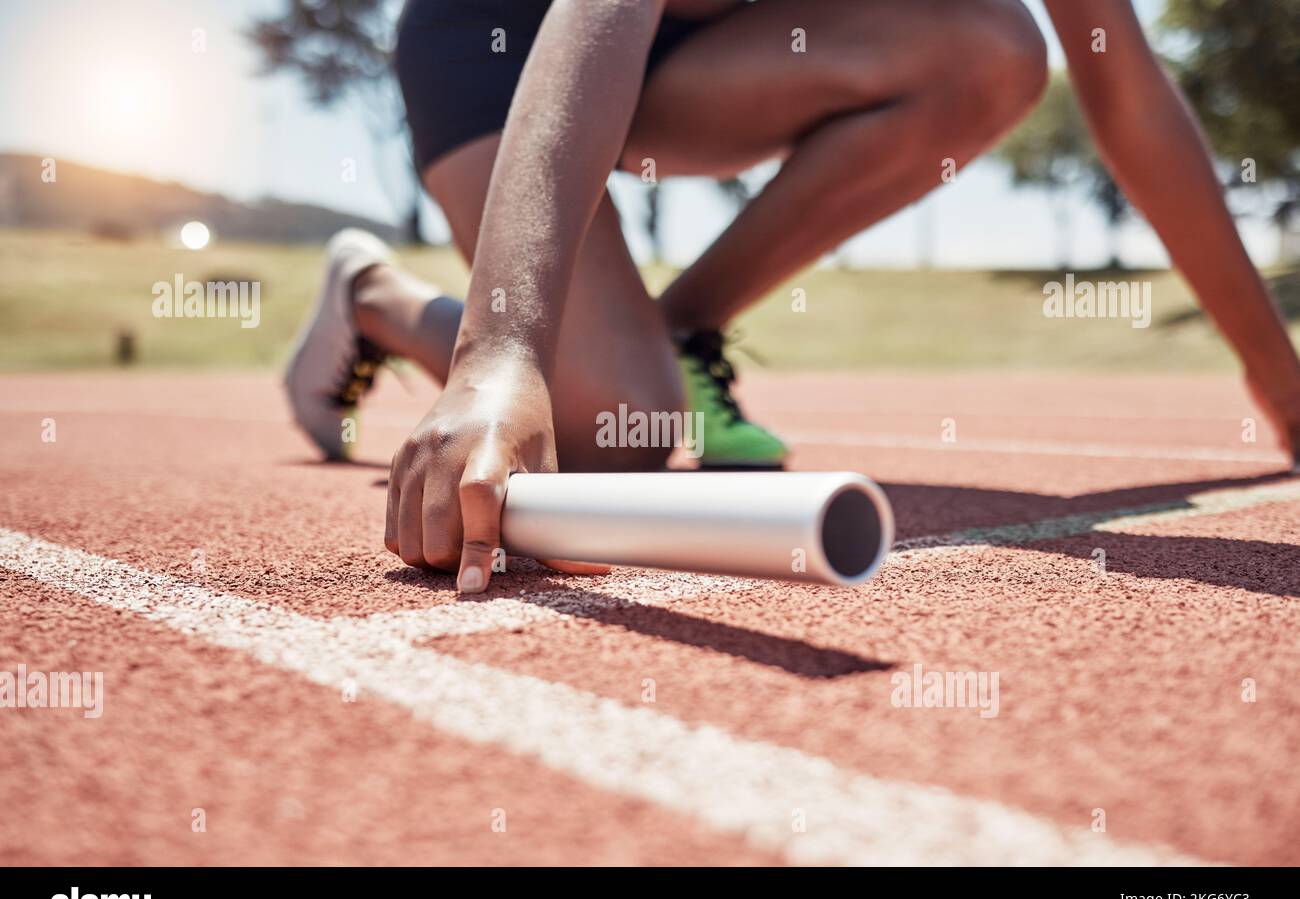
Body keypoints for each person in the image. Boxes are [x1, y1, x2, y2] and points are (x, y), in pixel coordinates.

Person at [283, 0, 1300, 594]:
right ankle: (377, 295)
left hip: (717, 57)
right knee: (613, 437)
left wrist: (1274, 368)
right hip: (509, 48)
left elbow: (1122, 89)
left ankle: (676, 329)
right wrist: (498, 354)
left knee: (994, 49)